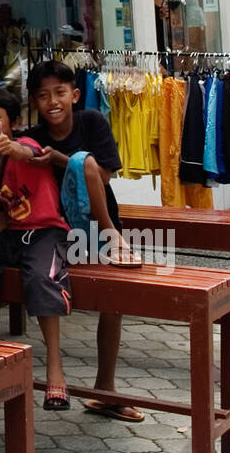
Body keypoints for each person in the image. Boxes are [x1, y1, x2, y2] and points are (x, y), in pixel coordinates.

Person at [27, 60, 145, 422]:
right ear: (35, 101)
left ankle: (104, 389)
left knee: (114, 302)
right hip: (57, 230)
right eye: (43, 95)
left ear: (75, 95)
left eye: (60, 92)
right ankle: (61, 377)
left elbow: (103, 174)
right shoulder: (32, 136)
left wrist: (61, 159)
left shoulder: (92, 121)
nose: (53, 102)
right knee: (46, 282)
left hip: (98, 223)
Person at [0, 88, 72, 409]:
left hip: (46, 233)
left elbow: (29, 152)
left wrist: (17, 150)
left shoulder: (25, 144)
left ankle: (55, 370)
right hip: (11, 235)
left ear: (14, 122)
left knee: (40, 280)